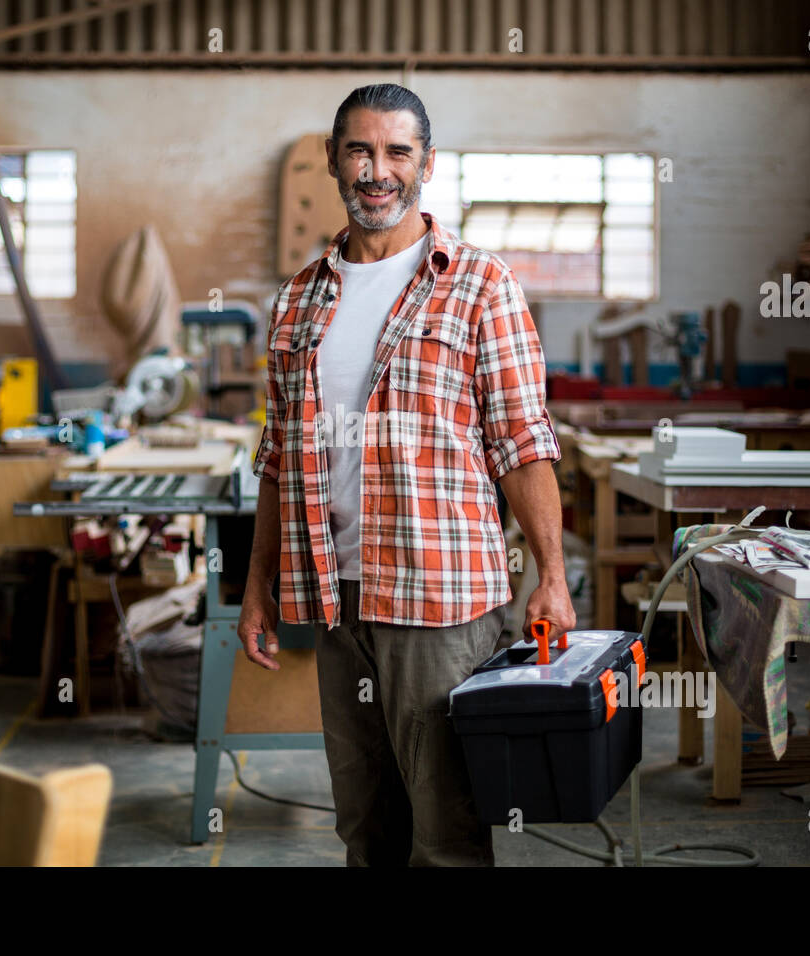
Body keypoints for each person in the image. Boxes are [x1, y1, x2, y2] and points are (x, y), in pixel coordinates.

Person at [238, 83, 574, 866]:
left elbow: (523, 441)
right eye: (359, 149)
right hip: (333, 600)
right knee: (365, 830)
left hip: (442, 601)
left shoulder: (479, 285)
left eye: (397, 152)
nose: (376, 170)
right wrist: (258, 584)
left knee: (448, 834)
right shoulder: (297, 302)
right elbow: (278, 459)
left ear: (425, 163)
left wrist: (552, 575)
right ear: (333, 160)